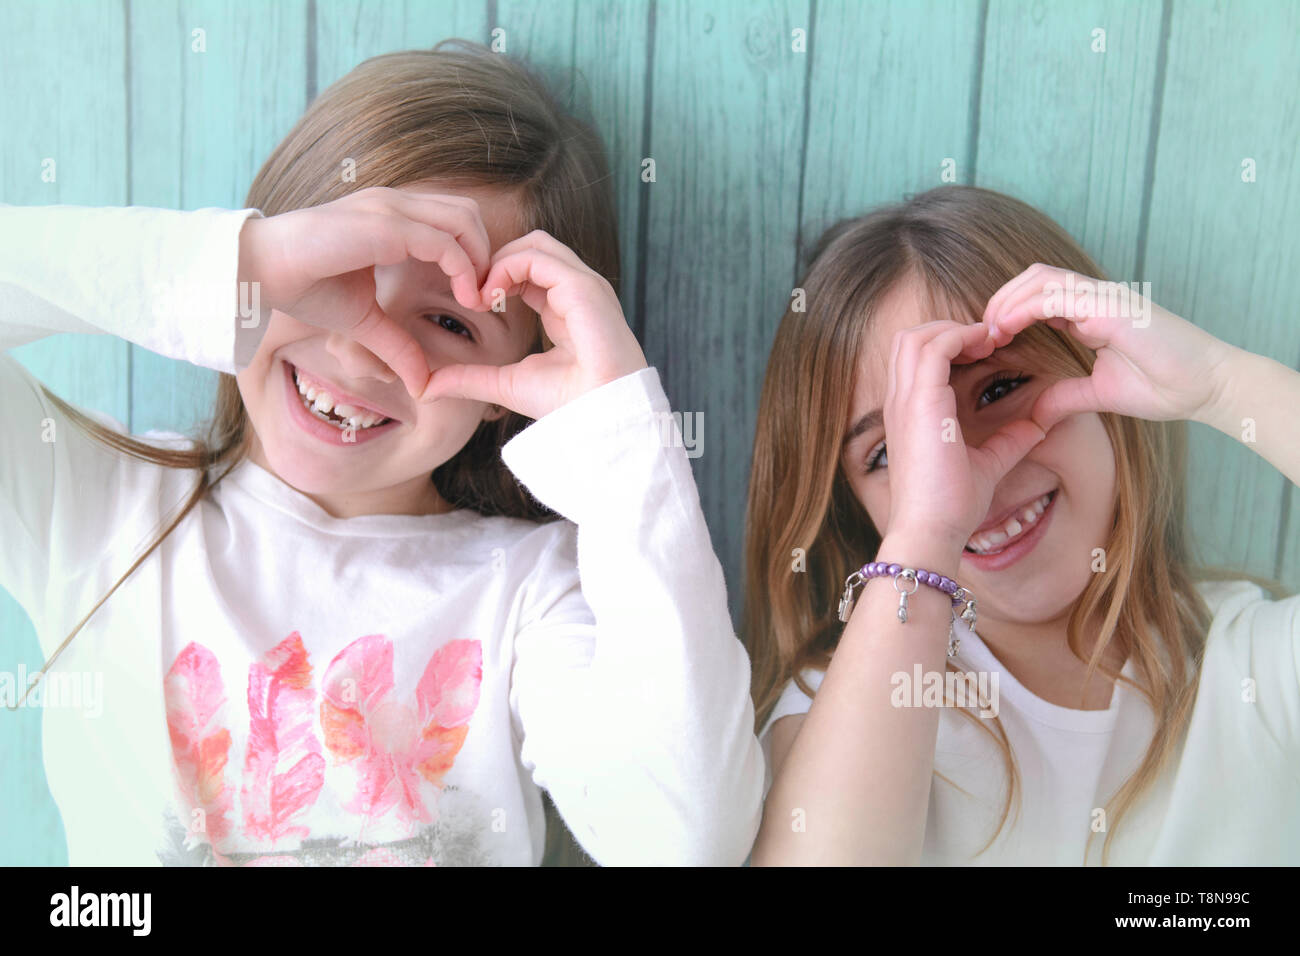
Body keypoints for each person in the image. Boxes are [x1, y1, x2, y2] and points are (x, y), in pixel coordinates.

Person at [0, 43, 762, 867]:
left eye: (449, 323)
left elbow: (687, 842)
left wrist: (619, 431)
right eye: (340, 271)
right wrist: (237, 266)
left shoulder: (529, 596)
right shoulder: (98, 510)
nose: (366, 355)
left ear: (511, 383)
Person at [745, 184, 1299, 865]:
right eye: (894, 453)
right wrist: (929, 535)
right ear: (852, 508)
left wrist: (1222, 384)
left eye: (1000, 389)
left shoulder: (1249, 667)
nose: (975, 476)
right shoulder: (851, 709)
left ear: (1105, 384)